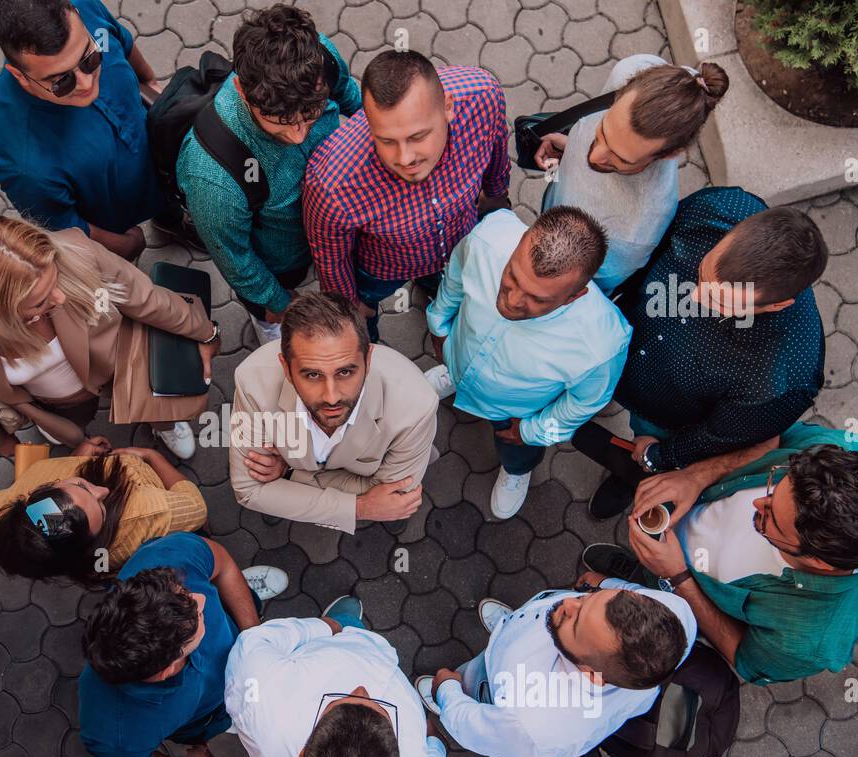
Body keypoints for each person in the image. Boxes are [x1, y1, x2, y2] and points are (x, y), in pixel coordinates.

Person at [581, 423, 858, 685]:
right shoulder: (847, 457)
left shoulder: (811, 643)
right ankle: (642, 569)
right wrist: (695, 476)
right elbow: (770, 434)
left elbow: (742, 657)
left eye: (770, 519)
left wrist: (676, 577)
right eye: (774, 487)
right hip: (684, 498)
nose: (756, 503)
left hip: (677, 578)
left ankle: (645, 579)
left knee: (650, 594)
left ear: (818, 561)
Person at [577, 187, 829, 518]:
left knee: (643, 447)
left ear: (777, 304)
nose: (695, 297)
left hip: (660, 412)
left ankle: (630, 476)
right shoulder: (721, 207)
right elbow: (651, 250)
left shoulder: (785, 375)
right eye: (702, 274)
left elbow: (718, 435)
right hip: (614, 343)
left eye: (723, 301)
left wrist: (661, 456)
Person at [0, 216, 220, 461]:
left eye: (55, 282)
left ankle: (161, 423)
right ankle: (65, 430)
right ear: (0, 310)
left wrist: (207, 332)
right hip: (50, 401)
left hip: (114, 364)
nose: (59, 298)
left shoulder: (74, 248)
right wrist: (6, 447)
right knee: (70, 426)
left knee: (152, 400)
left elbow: (146, 299)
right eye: (40, 301)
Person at [423, 206, 631, 520]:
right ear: (520, 242)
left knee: (515, 451)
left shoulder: (602, 344)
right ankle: (455, 376)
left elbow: (583, 404)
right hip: (458, 354)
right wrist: (439, 325)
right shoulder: (489, 237)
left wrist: (532, 432)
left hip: (512, 416)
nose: (512, 301)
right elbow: (455, 277)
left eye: (537, 299)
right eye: (511, 277)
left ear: (574, 296)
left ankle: (516, 470)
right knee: (458, 365)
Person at [175, 4, 362, 345]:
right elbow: (235, 259)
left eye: (312, 112)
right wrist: (278, 303)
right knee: (276, 327)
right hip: (280, 263)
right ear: (245, 92)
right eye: (282, 121)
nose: (299, 134)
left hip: (331, 234)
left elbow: (350, 95)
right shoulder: (212, 178)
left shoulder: (320, 58)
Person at [304, 50, 510, 342]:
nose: (405, 158)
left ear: (448, 107)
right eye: (386, 141)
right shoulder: (332, 182)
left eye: (417, 137)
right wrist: (348, 304)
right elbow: (330, 255)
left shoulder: (483, 96)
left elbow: (498, 145)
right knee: (360, 326)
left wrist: (497, 194)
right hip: (383, 268)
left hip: (459, 244)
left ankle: (434, 292)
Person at [225, 597, 452, 757]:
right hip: (362, 649)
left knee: (346, 622)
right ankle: (349, 624)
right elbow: (436, 756)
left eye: (344, 702)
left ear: (304, 750)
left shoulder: (260, 688)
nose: (361, 689)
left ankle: (347, 622)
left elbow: (257, 642)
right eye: (380, 712)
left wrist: (329, 627)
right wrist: (431, 739)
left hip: (337, 645)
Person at [415, 577, 695, 757]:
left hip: (488, 679)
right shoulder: (675, 616)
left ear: (589, 673)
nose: (566, 604)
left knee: (472, 678)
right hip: (522, 637)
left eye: (572, 622)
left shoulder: (530, 724)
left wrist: (449, 692)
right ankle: (511, 627)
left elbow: (474, 728)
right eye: (588, 599)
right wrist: (602, 582)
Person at [78, 533, 288, 757]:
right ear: (167, 670)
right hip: (206, 715)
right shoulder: (114, 732)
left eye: (186, 593)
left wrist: (253, 638)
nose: (201, 598)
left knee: (233, 596)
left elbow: (222, 566)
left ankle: (246, 596)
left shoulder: (165, 558)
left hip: (239, 630)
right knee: (220, 719)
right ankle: (229, 718)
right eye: (197, 614)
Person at [229, 291, 436, 535]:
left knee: (396, 507)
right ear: (285, 367)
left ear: (368, 360)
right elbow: (248, 490)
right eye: (312, 375)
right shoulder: (251, 382)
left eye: (345, 372)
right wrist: (360, 508)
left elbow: (394, 493)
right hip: (354, 483)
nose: (331, 397)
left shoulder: (416, 405)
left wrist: (288, 476)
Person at [0, 0, 177, 262]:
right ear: (20, 76)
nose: (87, 83)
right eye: (62, 81)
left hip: (162, 162)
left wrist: (150, 82)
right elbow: (71, 229)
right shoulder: (22, 163)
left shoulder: (82, 8)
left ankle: (172, 218)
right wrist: (125, 246)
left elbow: (121, 40)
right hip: (121, 215)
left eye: (90, 58)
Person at [533, 56, 729, 294]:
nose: (594, 156)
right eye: (603, 131)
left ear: (669, 154)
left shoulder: (632, 235)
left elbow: (584, 286)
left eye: (621, 159)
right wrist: (569, 147)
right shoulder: (635, 69)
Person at [0, 439, 208, 585]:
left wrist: (77, 457)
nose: (103, 490)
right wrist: (152, 456)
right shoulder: (148, 510)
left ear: (47, 487)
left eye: (80, 484)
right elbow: (197, 507)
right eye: (103, 511)